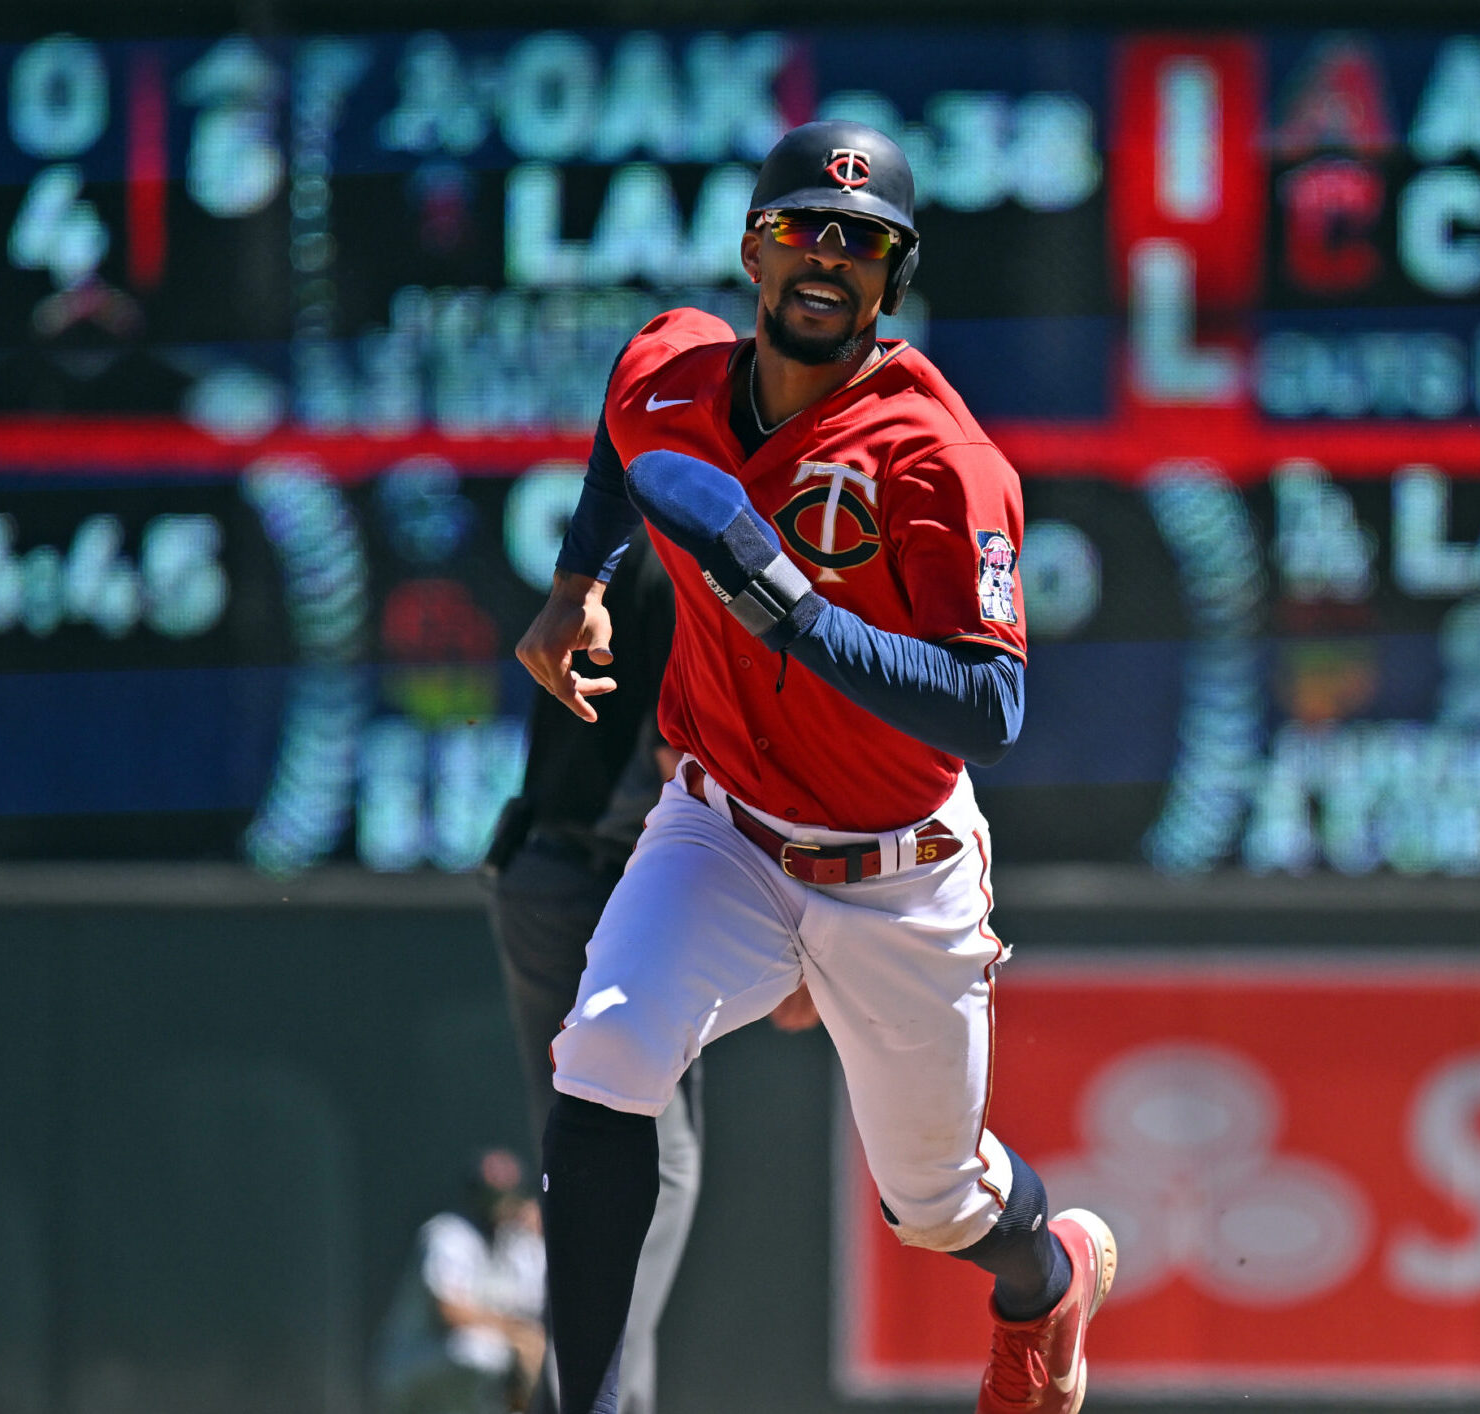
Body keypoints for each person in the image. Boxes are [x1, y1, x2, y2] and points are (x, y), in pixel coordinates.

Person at [512, 118, 1113, 1414]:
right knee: (602, 1059)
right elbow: (634, 443)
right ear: (753, 248)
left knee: (940, 1205)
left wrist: (790, 607)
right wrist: (579, 584)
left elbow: (992, 706)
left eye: (864, 240)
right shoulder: (674, 366)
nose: (828, 256)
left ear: (894, 279)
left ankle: (1048, 1277)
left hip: (894, 867)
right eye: (802, 228)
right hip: (720, 825)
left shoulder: (938, 461)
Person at [489, 531, 827, 1414]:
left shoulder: (624, 547)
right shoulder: (702, 558)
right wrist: (801, 929)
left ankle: (591, 1397)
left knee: (592, 1161)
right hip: (609, 883)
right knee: (644, 1166)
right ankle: (592, 1401)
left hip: (540, 875)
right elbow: (690, 758)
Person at [372, 1149, 548, 1414]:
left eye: (507, 1197)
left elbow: (539, 1314)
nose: (499, 1205)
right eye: (491, 1196)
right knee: (479, 1351)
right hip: (416, 1364)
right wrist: (515, 1333)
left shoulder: (521, 1244)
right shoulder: (449, 1234)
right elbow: (450, 1311)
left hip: (473, 1376)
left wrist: (542, 1237)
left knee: (531, 1349)